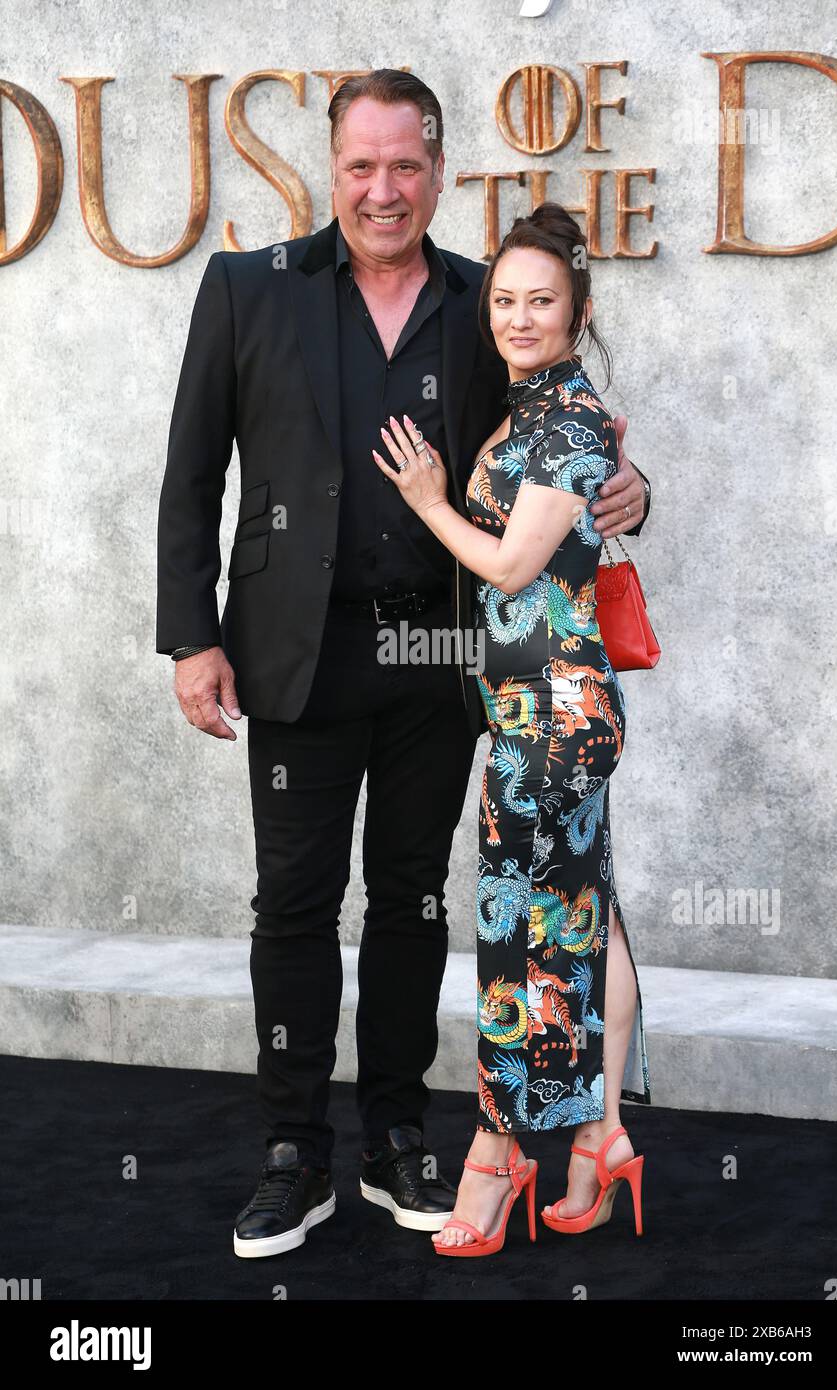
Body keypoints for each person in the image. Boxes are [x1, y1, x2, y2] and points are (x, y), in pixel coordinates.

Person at [156, 69, 652, 1260]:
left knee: (414, 902)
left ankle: (393, 1139)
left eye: (407, 166)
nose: (383, 190)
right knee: (292, 906)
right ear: (330, 169)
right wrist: (191, 635)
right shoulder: (246, 289)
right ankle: (293, 1153)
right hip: (294, 654)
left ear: (439, 169)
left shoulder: (490, 304)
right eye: (361, 166)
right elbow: (189, 474)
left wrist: (635, 492)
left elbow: (562, 437)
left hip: (442, 663)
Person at [373, 201, 651, 1256]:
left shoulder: (567, 419)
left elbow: (507, 564)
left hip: (553, 715)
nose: (518, 317)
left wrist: (432, 498)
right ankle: (602, 1141)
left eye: (541, 300)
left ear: (578, 310)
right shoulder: (538, 408)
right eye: (504, 300)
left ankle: (497, 1158)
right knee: (586, 916)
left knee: (514, 933)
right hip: (544, 709)